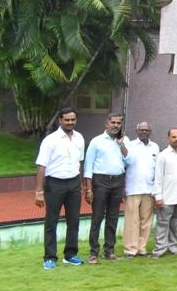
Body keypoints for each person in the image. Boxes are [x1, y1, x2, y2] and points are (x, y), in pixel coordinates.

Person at [35, 107, 85, 269]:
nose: (70, 122)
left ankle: (70, 255)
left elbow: (79, 162)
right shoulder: (50, 140)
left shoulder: (79, 138)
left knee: (74, 221)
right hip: (54, 184)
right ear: (60, 120)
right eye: (67, 120)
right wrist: (39, 191)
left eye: (73, 119)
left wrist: (81, 184)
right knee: (51, 221)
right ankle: (50, 257)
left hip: (74, 184)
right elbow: (41, 166)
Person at [83, 113, 131, 264]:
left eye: (118, 123)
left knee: (113, 217)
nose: (116, 125)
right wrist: (88, 189)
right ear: (107, 124)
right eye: (113, 122)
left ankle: (109, 251)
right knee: (97, 217)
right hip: (100, 181)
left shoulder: (124, 141)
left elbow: (130, 161)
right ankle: (93, 252)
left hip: (118, 181)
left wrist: (122, 145)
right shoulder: (96, 141)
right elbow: (88, 166)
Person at [152, 128, 177, 258]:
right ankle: (159, 249)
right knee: (163, 223)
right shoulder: (163, 155)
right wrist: (158, 197)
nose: (176, 139)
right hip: (167, 196)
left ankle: (173, 247)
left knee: (176, 223)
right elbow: (158, 177)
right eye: (173, 137)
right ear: (168, 138)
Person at [123, 122, 159, 258]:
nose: (144, 132)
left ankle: (142, 248)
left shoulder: (155, 147)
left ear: (150, 131)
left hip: (149, 189)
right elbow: (124, 165)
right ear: (136, 131)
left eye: (146, 130)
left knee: (146, 221)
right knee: (132, 221)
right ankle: (130, 249)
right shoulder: (130, 145)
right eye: (141, 130)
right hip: (132, 188)